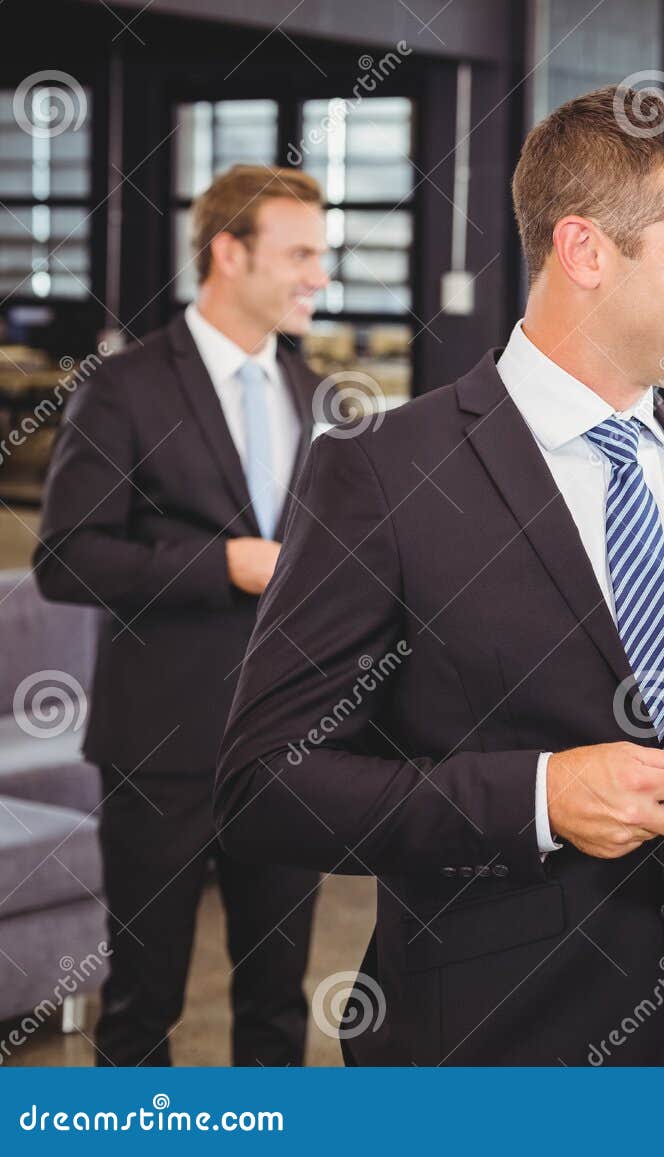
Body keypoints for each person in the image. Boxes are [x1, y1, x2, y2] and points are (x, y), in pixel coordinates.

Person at [213, 86, 664, 1067]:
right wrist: (537, 795)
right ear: (585, 251)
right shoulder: (381, 471)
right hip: (480, 1046)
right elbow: (265, 784)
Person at [33, 165, 326, 1065]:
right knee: (143, 1003)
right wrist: (224, 564)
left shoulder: (311, 390)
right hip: (160, 747)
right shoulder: (123, 386)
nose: (320, 275)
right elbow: (66, 557)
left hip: (289, 748)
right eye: (302, 253)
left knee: (278, 1001)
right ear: (229, 253)